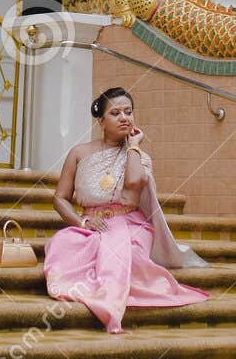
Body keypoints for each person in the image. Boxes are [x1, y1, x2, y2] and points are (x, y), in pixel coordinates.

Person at [44, 87, 208, 333]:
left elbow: (132, 186)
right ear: (101, 121)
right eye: (115, 113)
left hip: (130, 224)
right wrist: (82, 223)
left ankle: (111, 292)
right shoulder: (79, 153)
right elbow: (60, 199)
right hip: (91, 224)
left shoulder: (140, 157)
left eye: (128, 112)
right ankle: (100, 287)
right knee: (62, 243)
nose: (124, 117)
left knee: (132, 257)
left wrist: (133, 146)